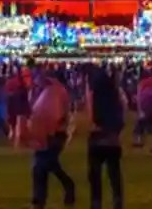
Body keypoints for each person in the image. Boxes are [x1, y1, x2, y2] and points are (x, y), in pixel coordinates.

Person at [28, 68, 75, 209]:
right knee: (46, 165)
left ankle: (40, 199)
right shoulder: (44, 91)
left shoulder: (56, 91)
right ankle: (66, 187)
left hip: (54, 134)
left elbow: (58, 114)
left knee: (41, 166)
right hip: (45, 133)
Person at [86, 66, 124, 209]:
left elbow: (91, 114)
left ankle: (96, 202)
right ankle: (117, 200)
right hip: (113, 136)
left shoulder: (94, 93)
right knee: (114, 171)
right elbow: (123, 107)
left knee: (95, 173)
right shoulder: (115, 92)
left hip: (97, 136)